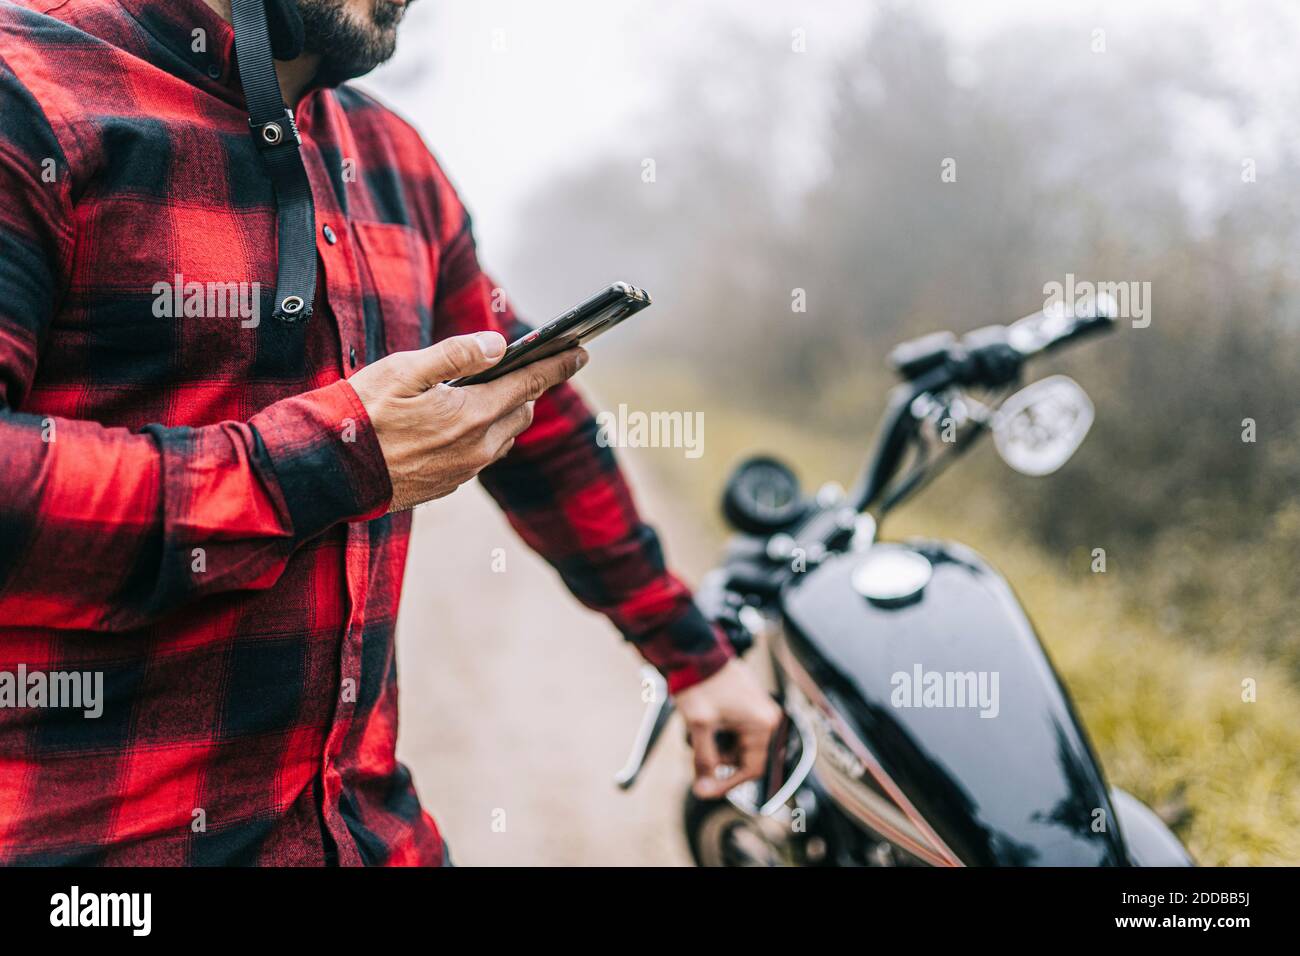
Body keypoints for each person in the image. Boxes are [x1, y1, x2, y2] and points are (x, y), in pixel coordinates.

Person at [0, 0, 780, 865]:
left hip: (367, 833)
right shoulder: (29, 90)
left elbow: (538, 414)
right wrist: (327, 463)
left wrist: (693, 657)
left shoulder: (393, 162)